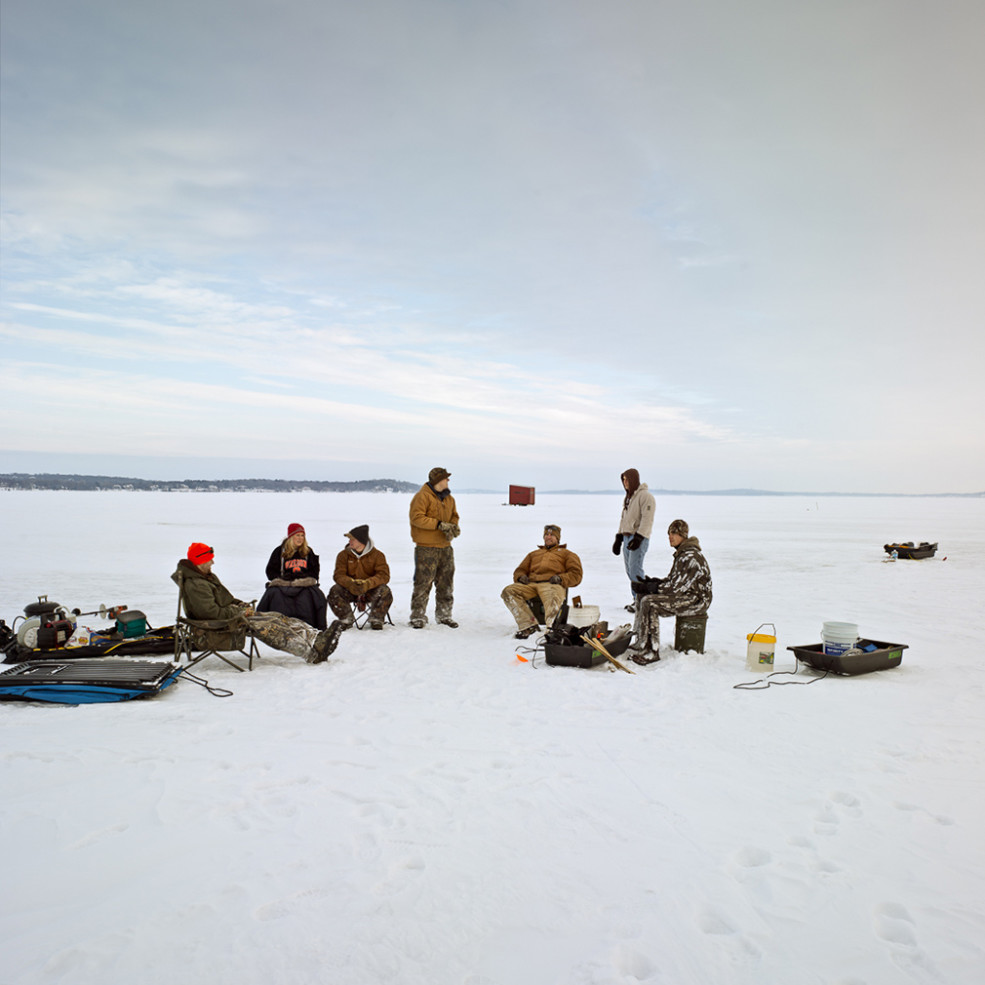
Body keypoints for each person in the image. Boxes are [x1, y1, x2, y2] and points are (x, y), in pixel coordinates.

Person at [173, 543, 342, 664]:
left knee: (276, 617)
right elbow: (210, 612)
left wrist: (241, 605)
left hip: (231, 615)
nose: (213, 563)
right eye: (210, 560)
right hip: (219, 623)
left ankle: (317, 638)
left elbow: (227, 600)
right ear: (200, 561)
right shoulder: (196, 584)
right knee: (270, 627)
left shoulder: (206, 577)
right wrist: (239, 613)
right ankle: (311, 654)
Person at [627, 519, 712, 665]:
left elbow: (676, 589)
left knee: (650, 602)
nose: (670, 537)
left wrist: (652, 588)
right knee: (642, 596)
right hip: (686, 596)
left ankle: (652, 651)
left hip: (697, 601)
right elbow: (673, 581)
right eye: (669, 534)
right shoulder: (682, 554)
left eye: (674, 533)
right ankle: (641, 642)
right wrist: (652, 583)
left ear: (683, 535)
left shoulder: (690, 557)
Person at [501, 524, 583, 639]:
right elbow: (520, 570)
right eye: (546, 535)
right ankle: (529, 625)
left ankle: (551, 631)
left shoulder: (567, 554)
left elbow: (576, 574)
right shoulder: (533, 554)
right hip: (531, 584)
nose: (548, 537)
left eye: (552, 535)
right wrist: (521, 577)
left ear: (557, 538)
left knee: (553, 597)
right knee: (508, 591)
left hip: (551, 585)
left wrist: (561, 578)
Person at [409, 467, 460, 628]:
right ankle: (418, 616)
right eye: (445, 478)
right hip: (426, 547)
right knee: (423, 583)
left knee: (446, 583)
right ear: (437, 481)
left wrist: (453, 527)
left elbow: (454, 516)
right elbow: (417, 518)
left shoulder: (449, 498)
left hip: (446, 547)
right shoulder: (422, 497)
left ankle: (444, 615)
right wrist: (438, 524)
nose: (448, 481)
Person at [257, 523, 327, 629]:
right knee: (273, 595)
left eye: (302, 535)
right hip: (283, 584)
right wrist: (283, 578)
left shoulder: (308, 552)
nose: (300, 538)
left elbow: (315, 572)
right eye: (297, 535)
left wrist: (304, 577)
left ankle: (317, 627)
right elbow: (270, 571)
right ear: (290, 537)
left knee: (318, 597)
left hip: (303, 584)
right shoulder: (279, 552)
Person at [328, 524, 393, 631]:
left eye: (352, 539)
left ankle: (376, 619)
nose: (350, 542)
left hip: (371, 590)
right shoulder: (343, 555)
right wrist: (350, 583)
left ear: (362, 541)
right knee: (335, 591)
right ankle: (346, 619)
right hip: (350, 590)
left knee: (385, 591)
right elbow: (339, 575)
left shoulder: (378, 555)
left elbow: (384, 576)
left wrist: (368, 583)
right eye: (349, 539)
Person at [611, 468, 656, 612]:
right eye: (623, 480)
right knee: (630, 570)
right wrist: (618, 538)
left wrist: (639, 537)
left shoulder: (645, 497)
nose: (625, 483)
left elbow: (647, 519)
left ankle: (642, 601)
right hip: (626, 537)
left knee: (636, 569)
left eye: (627, 479)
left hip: (638, 538)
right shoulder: (629, 498)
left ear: (634, 479)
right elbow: (624, 519)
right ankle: (636, 599)